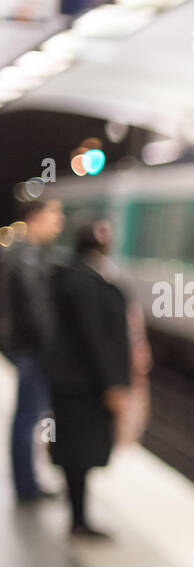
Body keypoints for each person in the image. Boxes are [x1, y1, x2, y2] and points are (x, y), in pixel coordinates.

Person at [46, 218, 132, 539]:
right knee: (78, 453)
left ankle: (78, 516)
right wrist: (111, 383)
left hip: (75, 383)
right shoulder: (84, 281)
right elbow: (93, 337)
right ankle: (79, 520)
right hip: (82, 385)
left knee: (74, 452)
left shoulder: (77, 275)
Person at [0, 196, 64, 502]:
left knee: (27, 416)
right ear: (35, 217)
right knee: (27, 417)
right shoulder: (27, 256)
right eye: (55, 213)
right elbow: (37, 312)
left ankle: (28, 481)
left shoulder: (27, 253)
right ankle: (26, 485)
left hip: (23, 346)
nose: (59, 221)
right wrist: (56, 348)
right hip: (30, 348)